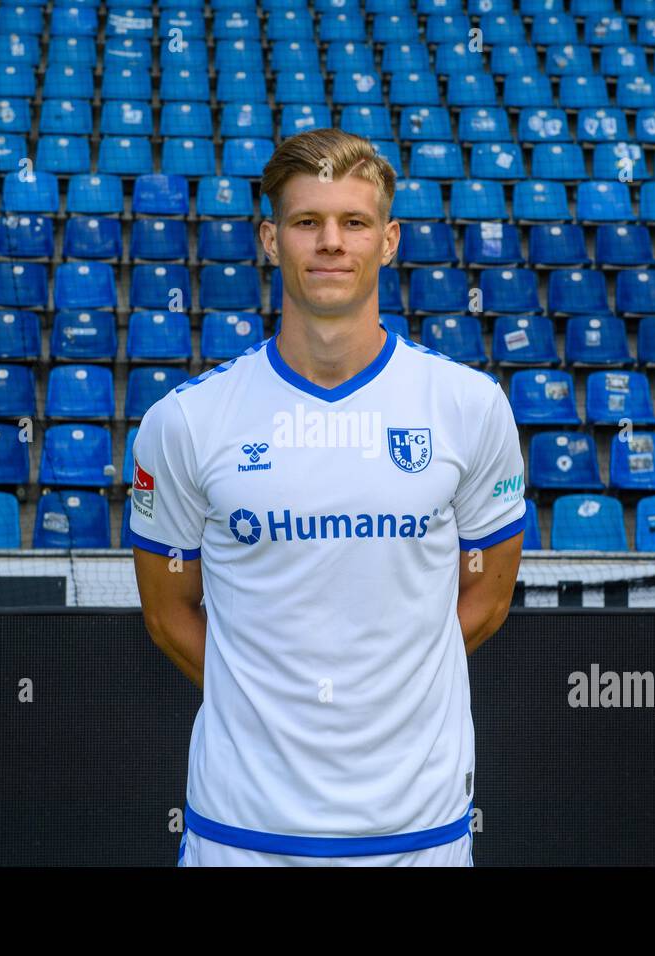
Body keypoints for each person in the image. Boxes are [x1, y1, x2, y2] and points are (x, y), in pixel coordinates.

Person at [131, 128, 525, 866]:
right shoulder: (185, 420)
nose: (331, 243)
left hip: (420, 835)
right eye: (307, 222)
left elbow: (490, 594)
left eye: (354, 222)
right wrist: (274, 703)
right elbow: (166, 611)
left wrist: (385, 687)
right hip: (238, 835)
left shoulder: (469, 407)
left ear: (390, 240)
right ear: (271, 240)